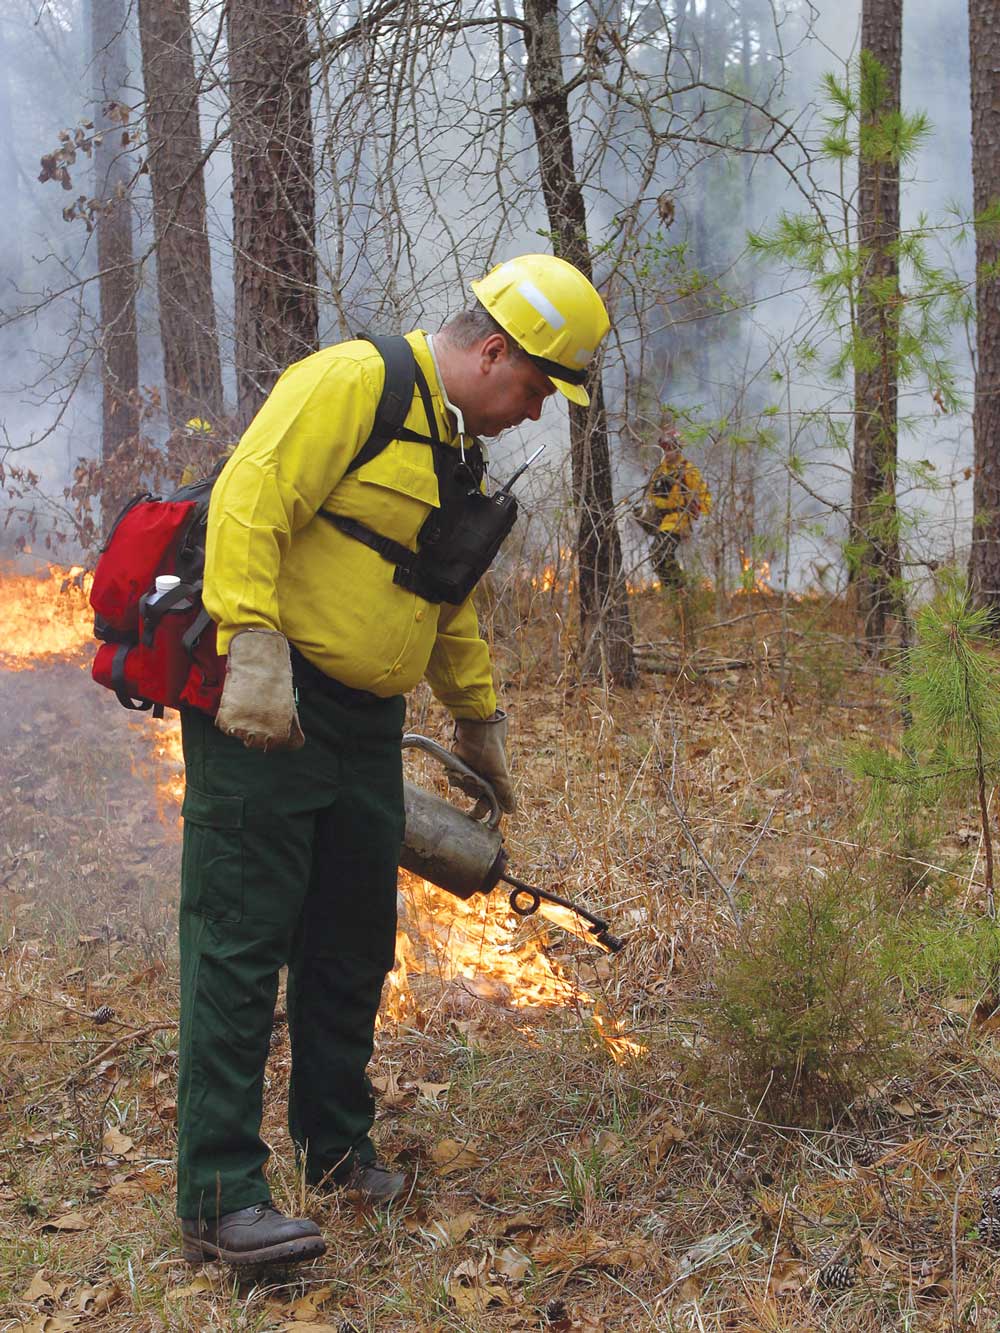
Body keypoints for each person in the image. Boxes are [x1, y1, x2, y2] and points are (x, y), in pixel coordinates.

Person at [177, 253, 611, 1267]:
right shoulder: (351, 384)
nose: (540, 411)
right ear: (495, 351)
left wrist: (477, 720)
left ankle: (336, 1150)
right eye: (541, 385)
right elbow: (250, 497)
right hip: (271, 710)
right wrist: (250, 645)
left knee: (351, 942)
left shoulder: (453, 449)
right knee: (239, 944)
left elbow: (438, 595)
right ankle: (218, 1195)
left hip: (368, 728)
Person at [634, 426, 711, 589]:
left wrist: (703, 520)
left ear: (678, 448)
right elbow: (651, 496)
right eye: (664, 449)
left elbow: (703, 495)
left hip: (679, 521)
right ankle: (672, 590)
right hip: (662, 522)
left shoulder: (688, 470)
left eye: (670, 448)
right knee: (657, 556)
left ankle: (681, 588)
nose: (667, 453)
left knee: (659, 553)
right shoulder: (659, 471)